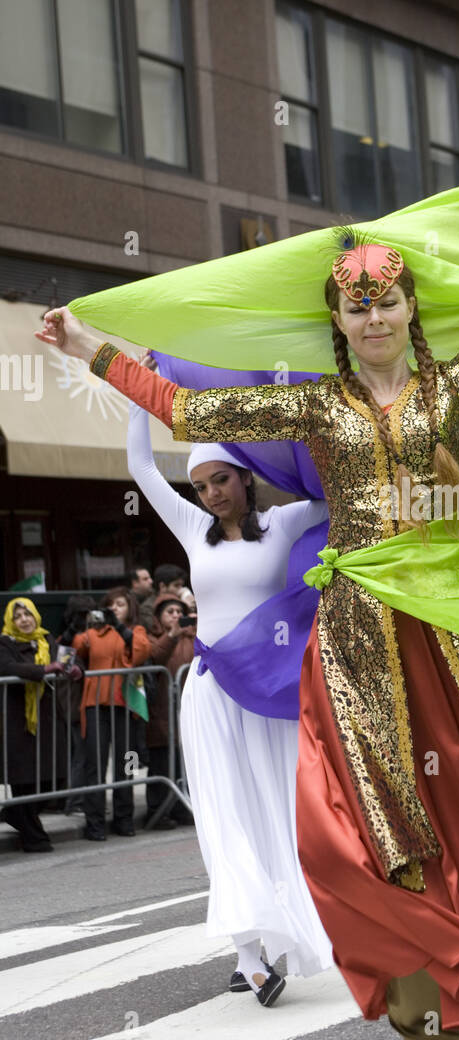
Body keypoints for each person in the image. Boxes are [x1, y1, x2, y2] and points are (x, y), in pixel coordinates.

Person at [38, 147, 459, 1040]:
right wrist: (87, 347)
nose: (372, 315)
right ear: (338, 320)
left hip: (453, 642)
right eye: (354, 305)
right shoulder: (313, 406)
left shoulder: (456, 381)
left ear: (409, 307)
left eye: (386, 299)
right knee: (360, 855)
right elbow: (189, 409)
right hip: (357, 650)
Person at [126, 397, 333, 1002]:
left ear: (245, 475)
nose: (211, 494)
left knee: (279, 812)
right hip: (210, 689)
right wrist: (142, 385)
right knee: (221, 814)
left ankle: (289, 932)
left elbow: (338, 493)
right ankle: (250, 955)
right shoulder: (193, 529)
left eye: (221, 479)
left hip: (268, 692)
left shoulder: (287, 521)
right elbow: (141, 466)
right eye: (200, 486)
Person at [0, 597, 80, 852]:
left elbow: (67, 662)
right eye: (18, 616)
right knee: (24, 781)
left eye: (28, 614)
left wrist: (77, 670)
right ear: (11, 621)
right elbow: (8, 666)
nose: (24, 620)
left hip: (47, 720)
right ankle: (35, 838)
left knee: (54, 780)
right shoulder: (4, 642)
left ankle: (14, 814)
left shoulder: (47, 639)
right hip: (18, 721)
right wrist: (44, 669)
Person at [71, 588, 150, 840]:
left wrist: (119, 627)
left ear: (130, 608)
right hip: (96, 705)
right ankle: (94, 822)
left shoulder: (135, 631)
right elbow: (76, 648)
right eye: (111, 605)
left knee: (125, 762)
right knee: (96, 763)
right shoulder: (94, 634)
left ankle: (123, 818)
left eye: (120, 604)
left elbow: (140, 652)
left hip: (124, 706)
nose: (115, 608)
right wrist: (78, 626)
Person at [144, 592, 197, 829]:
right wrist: (171, 635)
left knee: (184, 762)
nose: (176, 616)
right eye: (170, 612)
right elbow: (154, 658)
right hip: (162, 709)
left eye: (179, 612)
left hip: (186, 706)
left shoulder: (192, 634)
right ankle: (157, 809)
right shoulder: (151, 636)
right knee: (161, 761)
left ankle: (180, 807)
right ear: (158, 616)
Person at [55, 594, 97, 814]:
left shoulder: (96, 636)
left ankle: (89, 799)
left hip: (93, 703)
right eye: (83, 616)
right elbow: (63, 666)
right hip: (74, 705)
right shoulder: (65, 639)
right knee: (80, 756)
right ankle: (75, 802)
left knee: (90, 755)